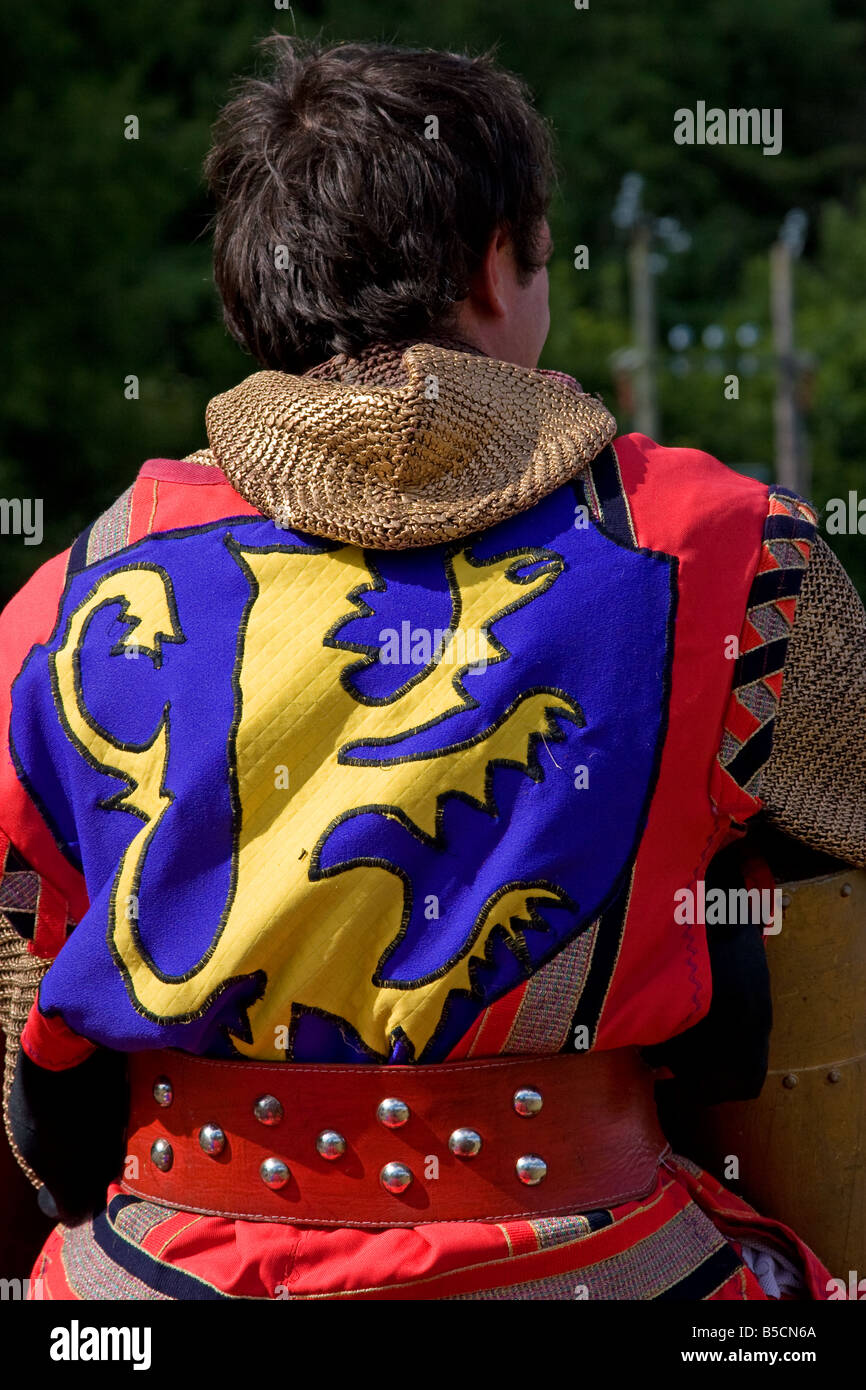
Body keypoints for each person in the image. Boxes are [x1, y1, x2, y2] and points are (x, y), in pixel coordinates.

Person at [1, 37, 863, 1302]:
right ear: (492, 265)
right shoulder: (731, 551)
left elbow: (24, 1024)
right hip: (608, 1265)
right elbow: (831, 992)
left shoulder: (72, 592)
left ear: (253, 290)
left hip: (149, 1282)